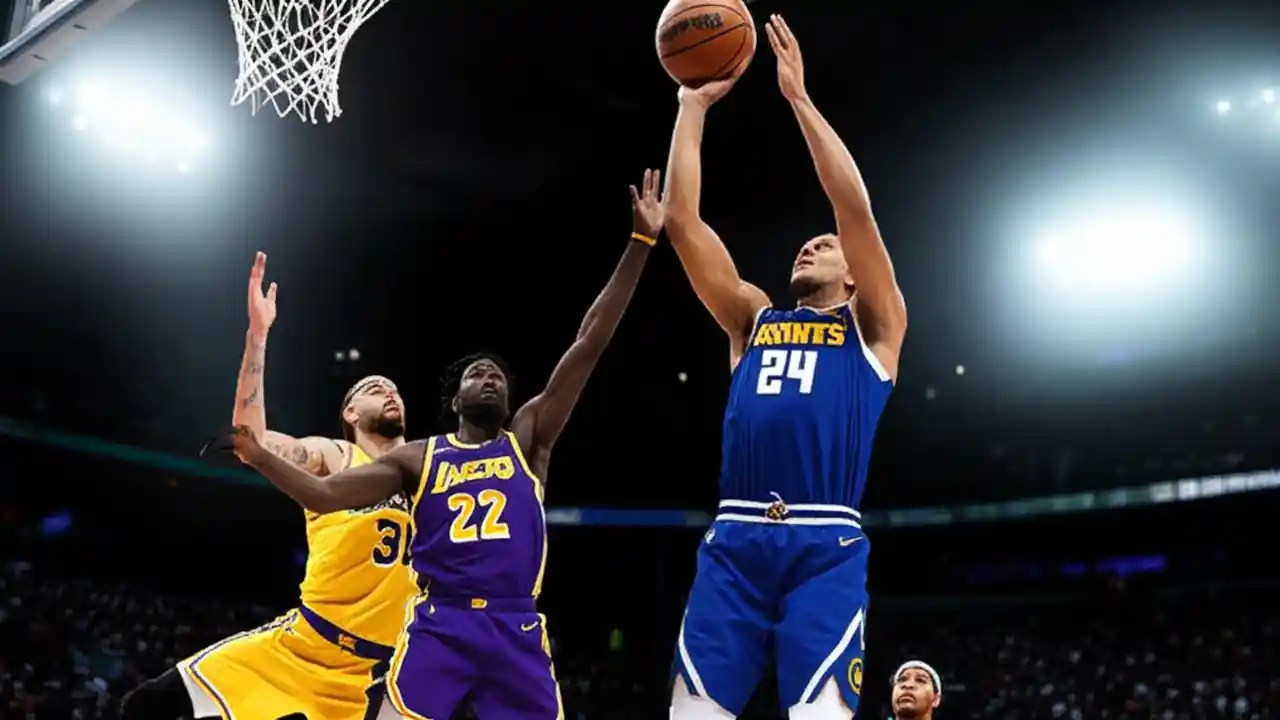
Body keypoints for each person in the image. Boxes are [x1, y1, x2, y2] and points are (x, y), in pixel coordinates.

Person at [224, 169, 665, 720]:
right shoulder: (419, 457)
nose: (490, 378)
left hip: (515, 625)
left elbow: (590, 340)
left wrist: (641, 243)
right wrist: (260, 454)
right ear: (454, 401)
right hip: (439, 623)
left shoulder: (528, 437)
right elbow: (325, 496)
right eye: (477, 375)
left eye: (498, 376)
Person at [662, 14, 908, 720]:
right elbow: (684, 221)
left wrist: (798, 98)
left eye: (825, 247)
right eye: (808, 243)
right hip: (734, 542)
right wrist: (690, 107)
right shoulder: (752, 319)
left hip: (824, 545)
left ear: (856, 277)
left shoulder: (874, 328)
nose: (812, 246)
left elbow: (851, 206)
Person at [119, 253, 418, 720]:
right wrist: (257, 337)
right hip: (304, 648)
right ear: (350, 414)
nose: (389, 391)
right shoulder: (335, 457)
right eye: (374, 387)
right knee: (149, 704)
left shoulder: (429, 470)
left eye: (393, 388)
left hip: (388, 674)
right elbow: (251, 440)